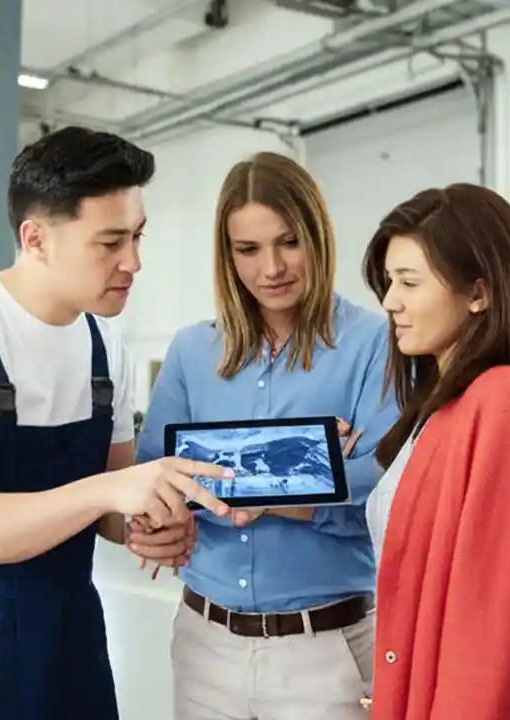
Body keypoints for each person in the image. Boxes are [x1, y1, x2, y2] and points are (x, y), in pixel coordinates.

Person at [0, 126, 233, 720]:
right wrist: (110, 491)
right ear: (35, 238)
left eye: (138, 237)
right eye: (110, 242)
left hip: (71, 640)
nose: (134, 262)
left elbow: (113, 510)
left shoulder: (104, 346)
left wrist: (150, 526)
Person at [134, 151, 399, 719]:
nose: (270, 268)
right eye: (247, 249)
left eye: (288, 242)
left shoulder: (375, 344)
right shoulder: (191, 351)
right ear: (226, 255)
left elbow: (383, 494)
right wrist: (303, 461)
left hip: (327, 652)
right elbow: (156, 477)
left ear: (317, 238)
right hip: (205, 645)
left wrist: (228, 472)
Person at [360, 184, 510, 719]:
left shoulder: (506, 399)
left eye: (410, 282)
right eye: (390, 281)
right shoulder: (443, 407)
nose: (391, 301)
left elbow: (491, 623)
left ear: (479, 293)